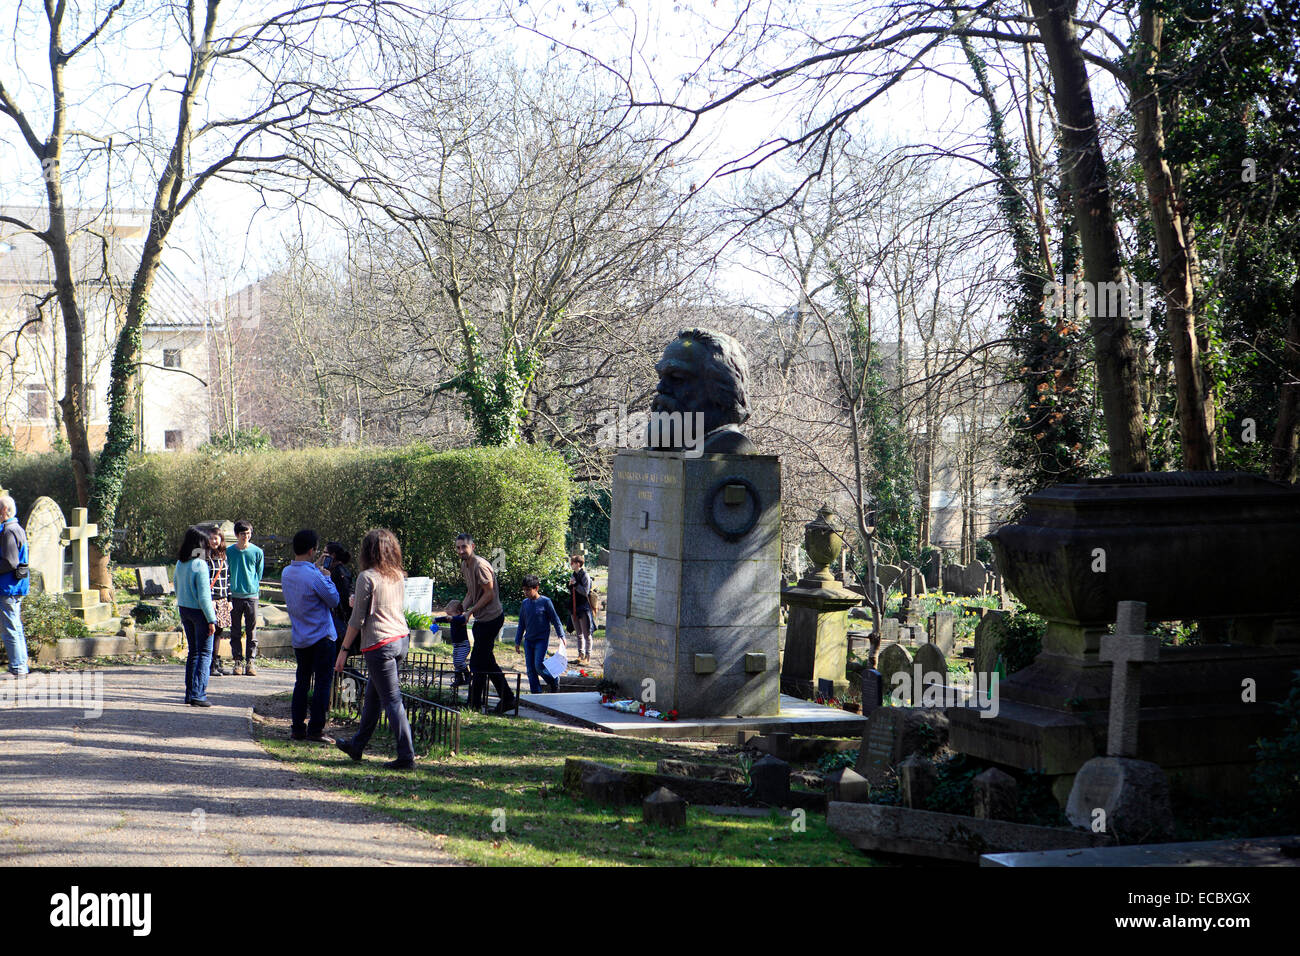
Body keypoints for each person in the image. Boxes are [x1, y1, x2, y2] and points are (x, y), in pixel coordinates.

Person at [333, 529, 416, 770]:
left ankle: (406, 756)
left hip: (380, 643)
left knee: (392, 700)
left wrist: (344, 649)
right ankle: (356, 746)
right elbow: (380, 606)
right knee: (373, 696)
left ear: (367, 551)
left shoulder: (366, 577)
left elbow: (357, 619)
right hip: (401, 639)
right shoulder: (398, 575)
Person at [282, 529, 340, 743]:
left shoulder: (286, 572)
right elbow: (333, 600)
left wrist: (316, 570)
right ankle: (316, 729)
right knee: (323, 684)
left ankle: (297, 727)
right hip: (322, 637)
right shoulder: (316, 576)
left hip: (300, 637)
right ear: (312, 550)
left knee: (302, 682)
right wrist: (327, 577)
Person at [456, 533, 516, 714]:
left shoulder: (481, 565)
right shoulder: (464, 565)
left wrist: (470, 612)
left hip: (492, 619)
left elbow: (489, 594)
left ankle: (474, 703)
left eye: (464, 547)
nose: (461, 551)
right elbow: (471, 592)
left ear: (472, 547)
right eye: (458, 548)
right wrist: (461, 611)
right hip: (481, 620)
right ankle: (507, 699)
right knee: (486, 662)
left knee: (477, 662)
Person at [175, 525, 216, 707]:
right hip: (200, 613)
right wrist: (211, 619)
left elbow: (176, 587)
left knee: (193, 653)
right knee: (205, 653)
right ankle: (199, 694)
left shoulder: (180, 563)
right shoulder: (200, 565)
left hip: (184, 609)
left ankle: (190, 693)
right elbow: (205, 597)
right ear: (200, 543)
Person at [226, 520, 264, 676]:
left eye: (248, 533)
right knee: (235, 630)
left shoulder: (257, 552)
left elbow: (258, 573)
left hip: (251, 596)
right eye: (243, 534)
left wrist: (252, 586)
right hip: (234, 596)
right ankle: (237, 662)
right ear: (237, 535)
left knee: (251, 631)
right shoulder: (229, 552)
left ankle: (251, 662)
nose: (246, 536)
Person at [515, 575, 564, 694]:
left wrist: (561, 635)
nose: (525, 592)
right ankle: (536, 693)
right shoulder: (525, 603)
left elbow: (555, 619)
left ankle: (553, 680)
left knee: (538, 665)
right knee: (530, 669)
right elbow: (521, 623)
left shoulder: (545, 602)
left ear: (536, 588)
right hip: (528, 641)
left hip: (541, 640)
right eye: (524, 589)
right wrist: (517, 640)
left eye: (528, 590)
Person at [0, 495, 30, 679]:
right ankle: (21, 665)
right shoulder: (18, 528)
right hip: (16, 586)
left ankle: (18, 667)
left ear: (4, 510)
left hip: (8, 587)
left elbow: (10, 562)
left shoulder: (8, 532)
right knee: (15, 626)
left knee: (10, 628)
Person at [205, 526, 232, 678]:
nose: (214, 541)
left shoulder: (223, 556)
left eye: (216, 538)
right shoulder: (204, 556)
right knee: (211, 631)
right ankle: (209, 664)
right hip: (211, 599)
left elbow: (228, 579)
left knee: (219, 632)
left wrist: (229, 599)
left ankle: (215, 662)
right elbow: (205, 580)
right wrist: (210, 599)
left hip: (222, 599)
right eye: (211, 538)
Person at [568, 553, 595, 665]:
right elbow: (571, 590)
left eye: (572, 563)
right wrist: (570, 585)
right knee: (578, 633)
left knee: (586, 633)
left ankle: (587, 658)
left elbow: (585, 592)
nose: (571, 564)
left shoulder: (585, 575)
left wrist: (575, 585)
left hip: (584, 608)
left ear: (578, 564)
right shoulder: (574, 574)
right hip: (574, 607)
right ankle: (580, 655)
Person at [324, 541, 354, 642]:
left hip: (339, 621)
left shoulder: (340, 572)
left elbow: (344, 598)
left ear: (333, 555)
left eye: (325, 553)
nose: (323, 556)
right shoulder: (332, 571)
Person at [442, 599, 472, 688]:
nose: (449, 617)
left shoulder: (461, 618)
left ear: (458, 612)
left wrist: (453, 618)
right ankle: (459, 679)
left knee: (459, 661)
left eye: (451, 614)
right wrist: (436, 620)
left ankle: (468, 675)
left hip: (463, 645)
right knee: (456, 663)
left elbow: (458, 619)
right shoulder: (453, 618)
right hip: (456, 646)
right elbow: (444, 619)